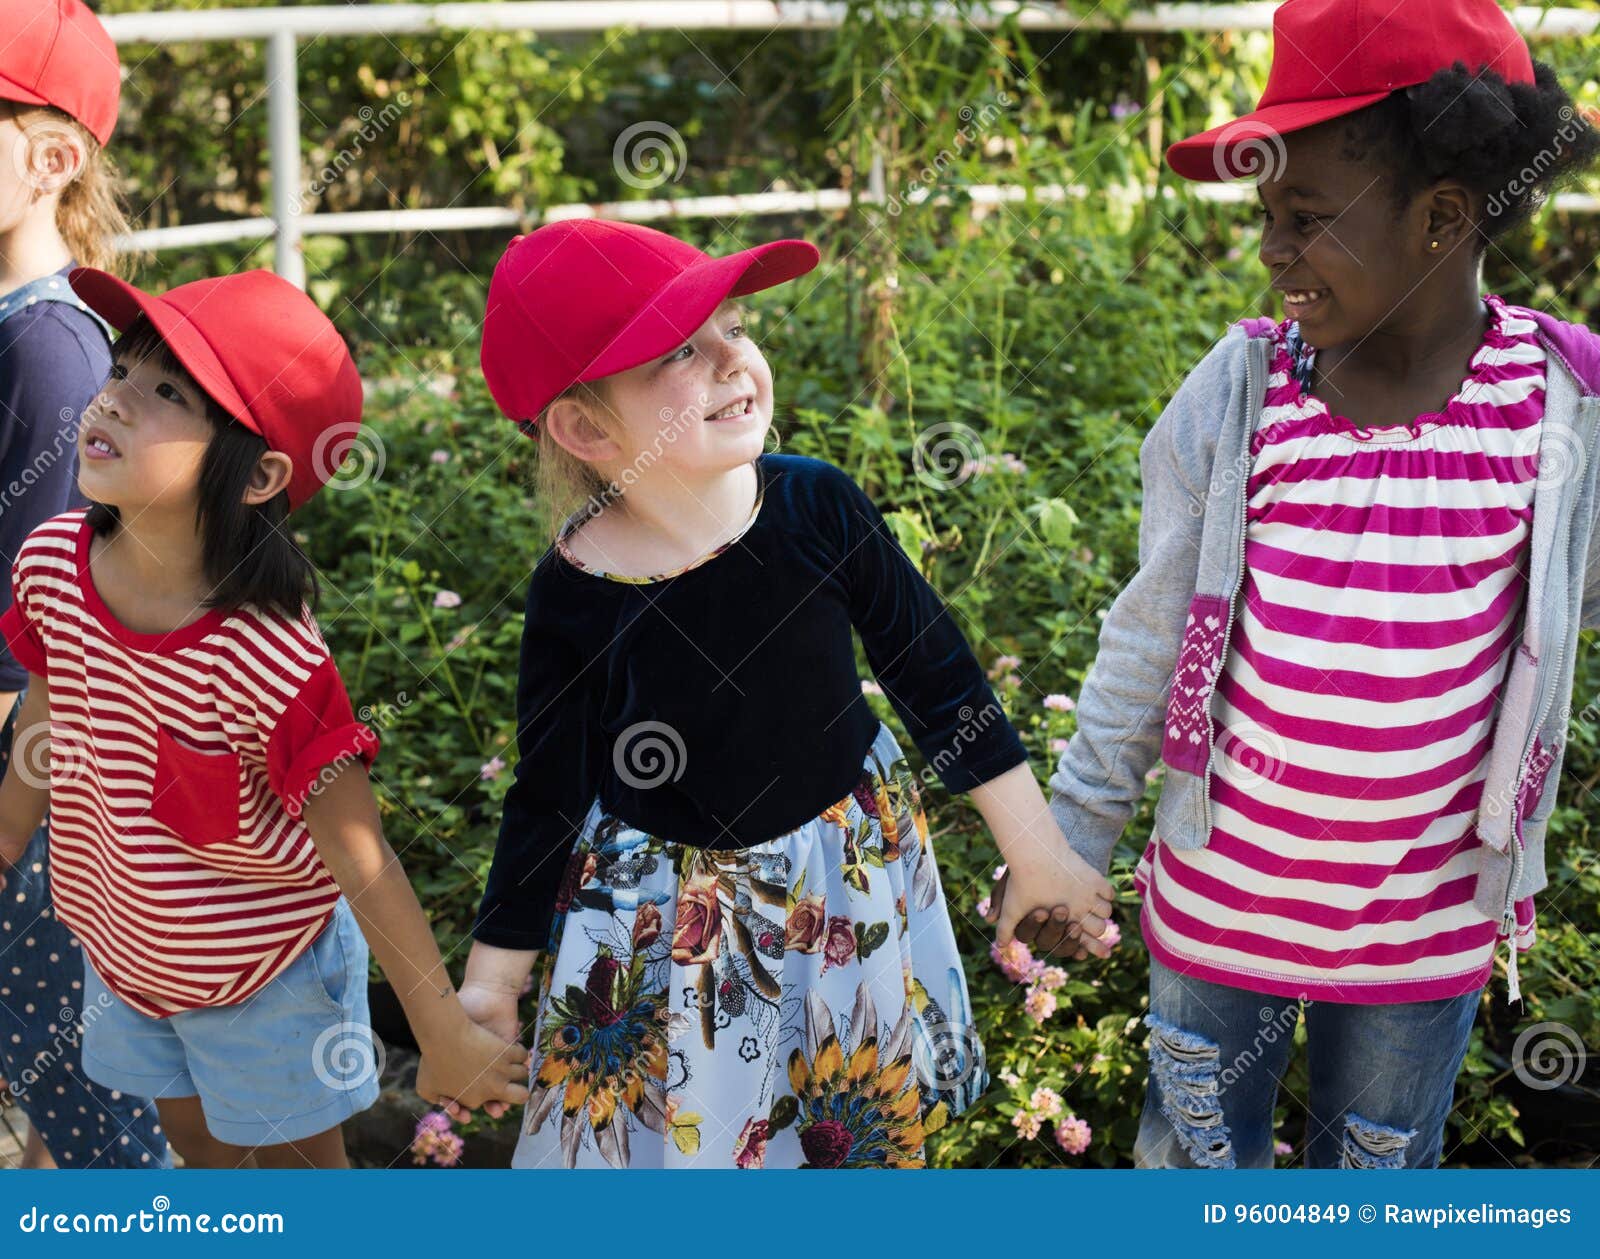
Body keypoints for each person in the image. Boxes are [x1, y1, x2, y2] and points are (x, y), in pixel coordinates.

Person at [421, 218, 1117, 1168]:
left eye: (734, 328)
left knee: (841, 1139)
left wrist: (1036, 853)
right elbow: (546, 789)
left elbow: (936, 678)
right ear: (587, 428)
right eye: (680, 351)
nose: (732, 360)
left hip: (842, 882)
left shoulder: (813, 505)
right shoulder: (574, 588)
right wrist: (493, 980)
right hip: (667, 926)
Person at [1044, 0, 1600, 1169]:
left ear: (1442, 217)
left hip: (1419, 939)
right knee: (1195, 1180)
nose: (1271, 250)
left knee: (1378, 1190)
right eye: (1265, 215)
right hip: (1218, 921)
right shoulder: (1243, 394)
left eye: (1304, 219)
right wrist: (1073, 834)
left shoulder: (1557, 412)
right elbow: (1147, 636)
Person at [0, 268, 530, 1168]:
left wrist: (441, 1029)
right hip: (126, 947)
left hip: (264, 971)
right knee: (200, 1149)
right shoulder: (55, 562)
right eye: (123, 370)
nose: (117, 400)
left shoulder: (267, 655)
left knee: (299, 1179)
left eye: (166, 392)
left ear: (262, 474)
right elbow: (43, 727)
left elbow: (361, 857)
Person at [0, 0, 169, 1169]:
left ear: (53, 159)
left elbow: (37, 635)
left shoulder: (49, 348)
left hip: (42, 795)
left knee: (87, 1097)